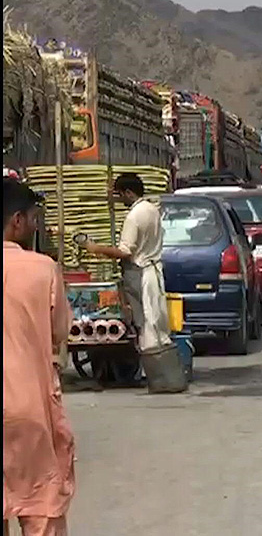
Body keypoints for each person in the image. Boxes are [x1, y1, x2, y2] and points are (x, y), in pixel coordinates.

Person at [3, 178, 75, 536]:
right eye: (33, 218)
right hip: (29, 410)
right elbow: (60, 331)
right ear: (16, 221)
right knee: (41, 511)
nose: (35, 226)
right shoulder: (43, 268)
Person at [84, 174, 187, 393]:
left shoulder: (134, 216)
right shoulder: (152, 210)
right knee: (156, 321)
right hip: (154, 269)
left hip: (138, 273)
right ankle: (163, 374)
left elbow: (125, 251)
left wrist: (96, 248)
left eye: (121, 196)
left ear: (128, 193)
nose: (121, 200)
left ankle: (155, 375)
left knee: (143, 322)